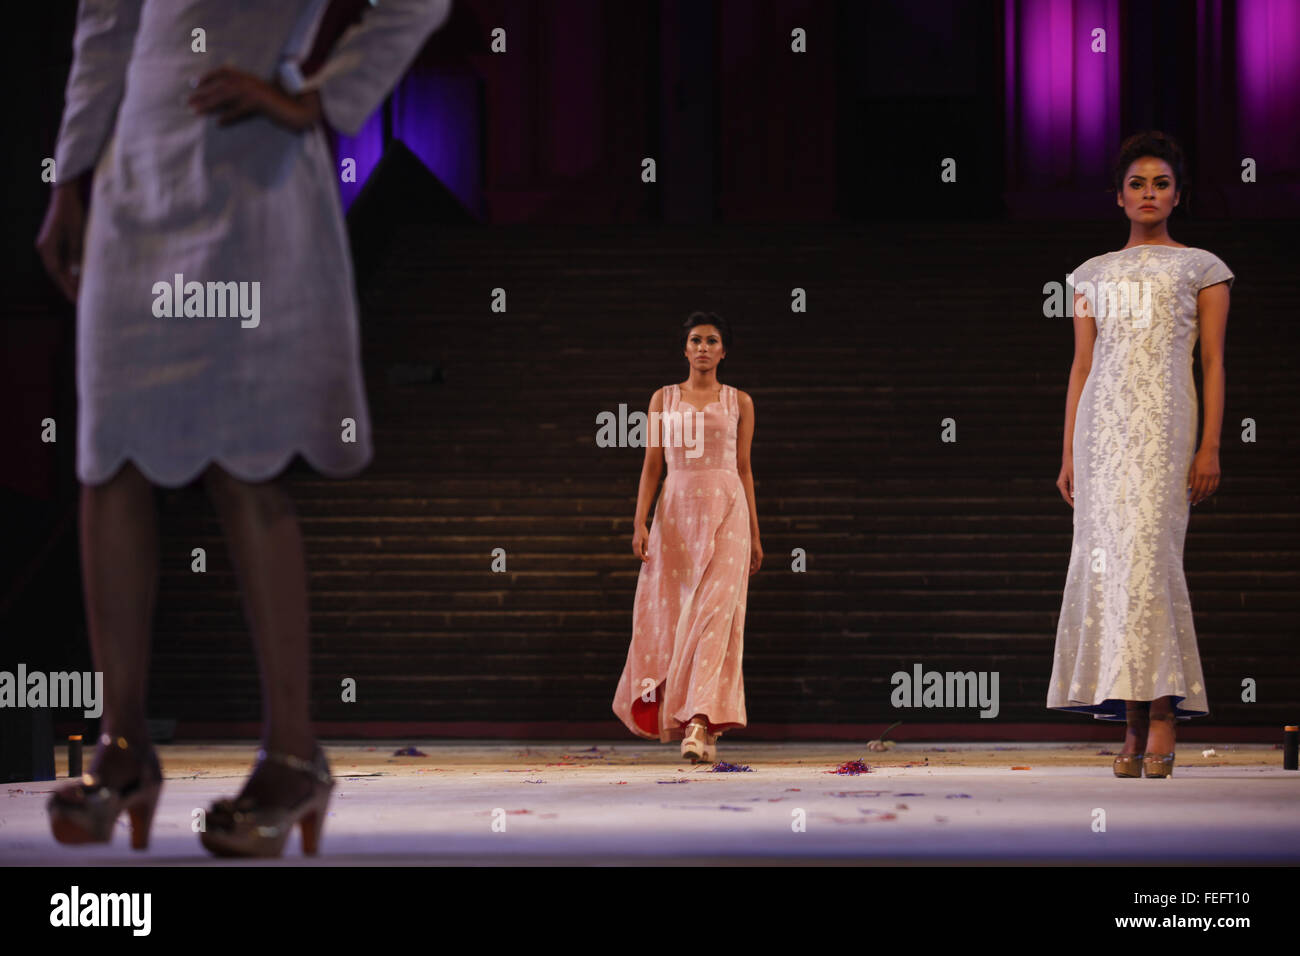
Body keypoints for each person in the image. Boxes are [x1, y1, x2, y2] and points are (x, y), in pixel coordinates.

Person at [37, 0, 453, 856]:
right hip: (132, 176)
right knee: (107, 456)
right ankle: (122, 746)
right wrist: (71, 172)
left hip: (247, 170)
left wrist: (322, 96)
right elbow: (107, 21)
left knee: (245, 464)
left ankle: (294, 753)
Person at [1049, 131, 1233, 779]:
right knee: (1108, 569)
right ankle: (1128, 722)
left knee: (1152, 562)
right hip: (1103, 432)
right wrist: (1071, 451)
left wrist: (1210, 443)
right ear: (1119, 196)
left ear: (1178, 194)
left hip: (1165, 426)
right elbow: (1081, 366)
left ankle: (1162, 714)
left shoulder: (1202, 267)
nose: (1149, 193)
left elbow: (1211, 362)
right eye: (1137, 184)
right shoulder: (1091, 274)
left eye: (1160, 183)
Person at [612, 312, 763, 763]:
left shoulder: (740, 402)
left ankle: (699, 720)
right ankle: (693, 717)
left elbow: (744, 468)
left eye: (711, 341)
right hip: (676, 512)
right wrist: (640, 521)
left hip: (728, 511)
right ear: (685, 349)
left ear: (723, 350)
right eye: (695, 340)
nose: (702, 348)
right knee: (678, 616)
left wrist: (755, 533)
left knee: (716, 617)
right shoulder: (663, 399)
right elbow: (652, 463)